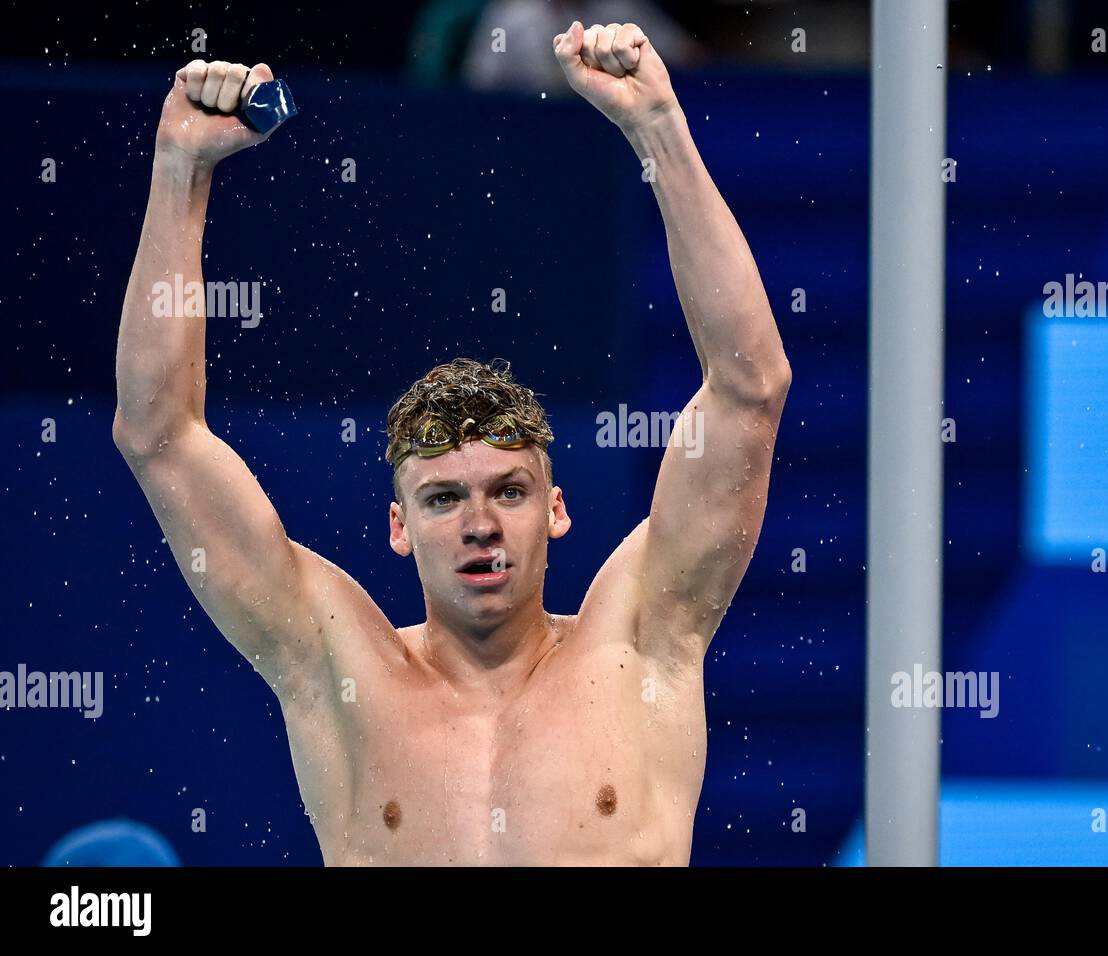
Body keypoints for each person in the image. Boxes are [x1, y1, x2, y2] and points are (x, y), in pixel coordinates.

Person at [113, 21, 791, 866]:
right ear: (399, 526)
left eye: (508, 491)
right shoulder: (337, 668)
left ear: (556, 511)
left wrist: (657, 126)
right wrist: (179, 170)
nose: (479, 523)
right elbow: (158, 434)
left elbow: (749, 388)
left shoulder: (645, 640)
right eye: (443, 498)